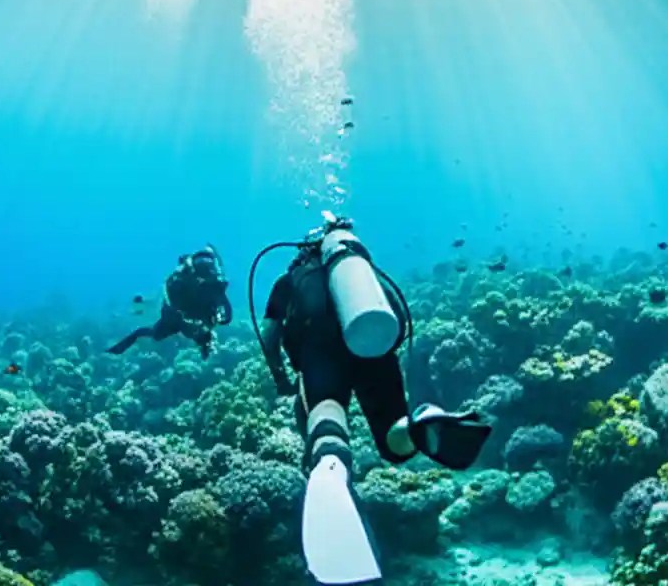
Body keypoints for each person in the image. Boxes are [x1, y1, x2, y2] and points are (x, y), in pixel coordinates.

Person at [252, 213, 491, 585]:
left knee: (326, 412)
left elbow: (269, 333)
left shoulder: (292, 277)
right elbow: (397, 312)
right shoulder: (361, 274)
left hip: (318, 350)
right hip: (373, 343)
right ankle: (418, 424)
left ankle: (330, 459)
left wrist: (281, 376)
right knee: (394, 444)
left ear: (306, 250)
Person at [109, 244, 232, 359]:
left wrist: (216, 317)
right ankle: (134, 334)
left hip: (196, 319)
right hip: (174, 317)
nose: (206, 270)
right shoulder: (181, 281)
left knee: (201, 336)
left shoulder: (216, 286)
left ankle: (204, 346)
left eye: (209, 266)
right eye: (202, 265)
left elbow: (226, 314)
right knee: (157, 334)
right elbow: (171, 298)